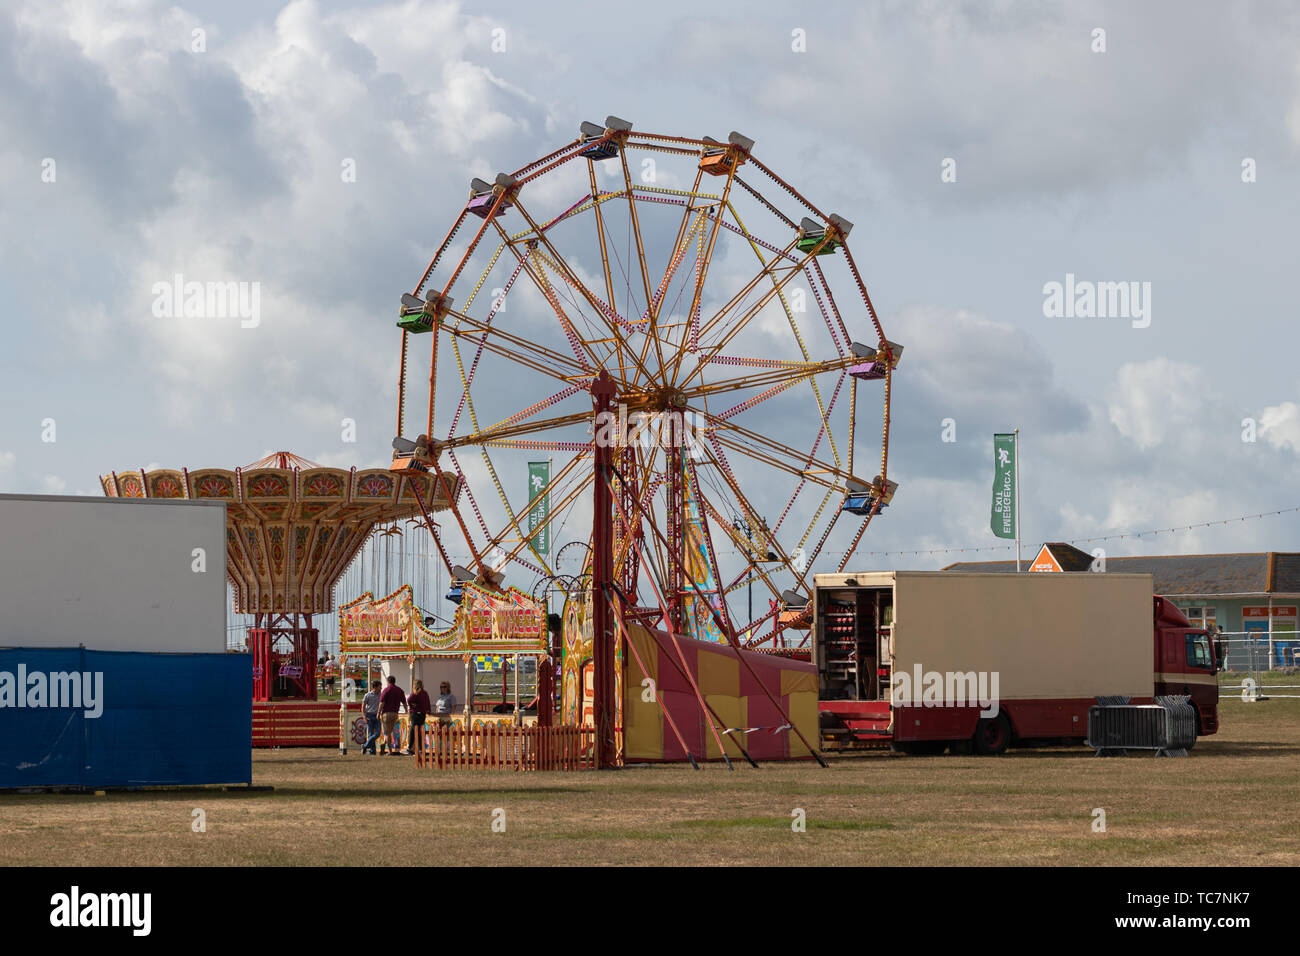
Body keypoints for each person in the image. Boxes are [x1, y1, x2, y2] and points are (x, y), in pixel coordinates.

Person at [378, 675, 406, 755]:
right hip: (395, 714)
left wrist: (378, 712)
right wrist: (406, 710)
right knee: (389, 732)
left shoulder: (386, 690)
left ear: (388, 681)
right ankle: (384, 743)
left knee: (387, 733)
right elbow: (404, 702)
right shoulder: (399, 690)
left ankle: (389, 750)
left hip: (386, 713)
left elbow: (382, 702)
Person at [406, 680, 431, 755]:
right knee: (419, 731)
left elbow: (409, 700)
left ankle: (411, 748)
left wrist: (413, 705)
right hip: (422, 714)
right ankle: (420, 748)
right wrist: (428, 710)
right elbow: (427, 702)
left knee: (414, 731)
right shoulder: (424, 693)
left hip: (415, 713)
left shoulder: (415, 693)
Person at [361, 680, 382, 755]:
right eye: (380, 687)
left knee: (378, 733)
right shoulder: (368, 695)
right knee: (370, 733)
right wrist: (364, 716)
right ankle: (372, 751)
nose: (381, 688)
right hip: (369, 715)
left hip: (377, 715)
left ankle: (365, 746)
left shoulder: (381, 695)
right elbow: (363, 706)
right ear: (375, 687)